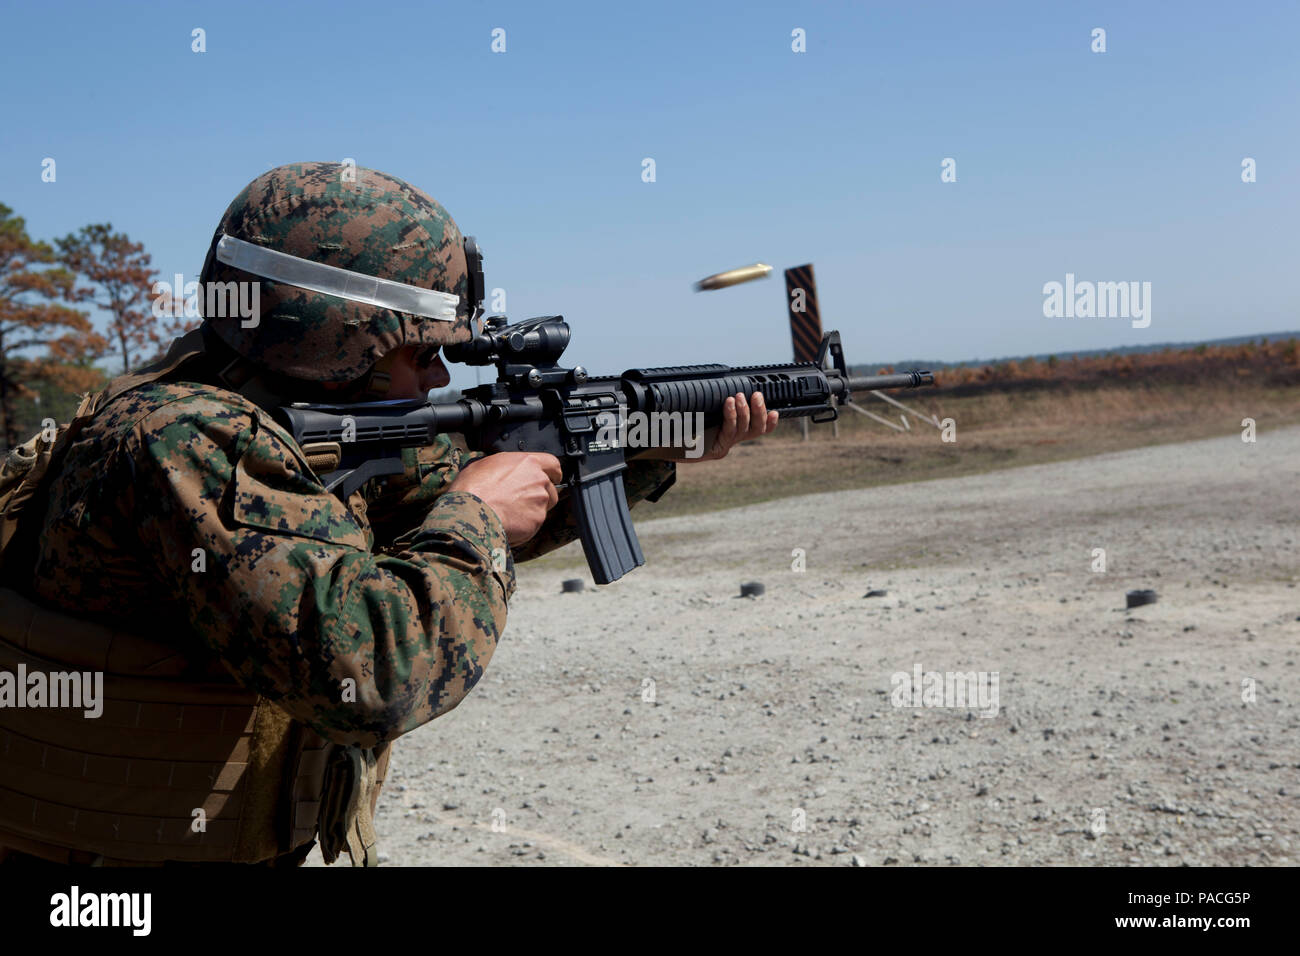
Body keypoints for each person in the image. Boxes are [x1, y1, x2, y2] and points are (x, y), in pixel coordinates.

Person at [0, 161, 775, 866]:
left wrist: (647, 451)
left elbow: (423, 515)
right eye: (420, 352)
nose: (438, 376)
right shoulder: (189, 439)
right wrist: (477, 514)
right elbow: (373, 673)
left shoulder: (256, 406)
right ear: (339, 338)